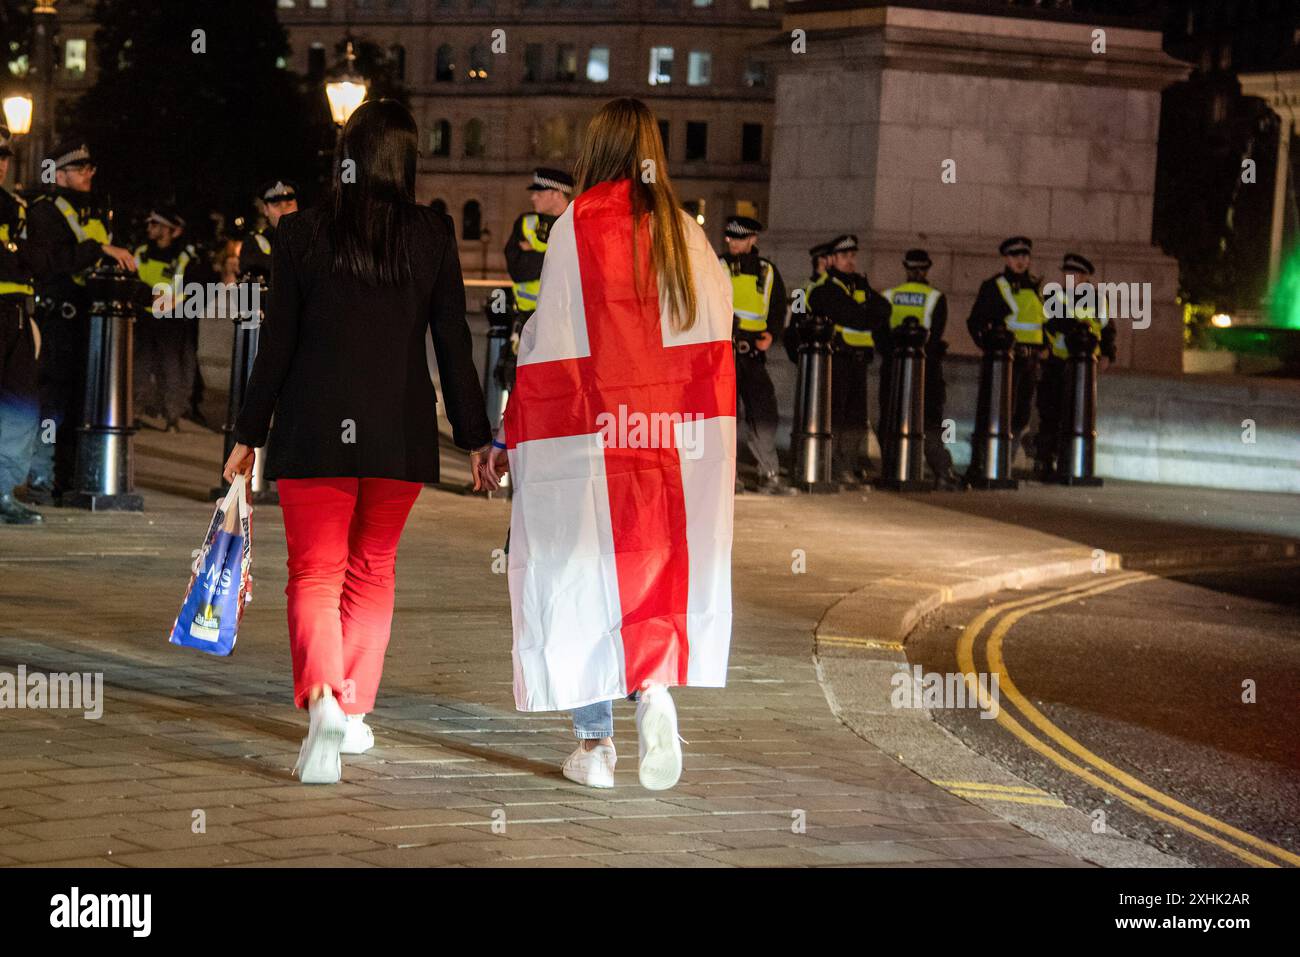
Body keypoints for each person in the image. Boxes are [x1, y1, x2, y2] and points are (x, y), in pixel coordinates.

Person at [222, 100, 493, 785]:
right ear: (405, 160)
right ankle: (353, 704)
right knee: (372, 567)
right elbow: (452, 343)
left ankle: (321, 704)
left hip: (313, 428)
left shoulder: (301, 235)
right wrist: (478, 437)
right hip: (399, 432)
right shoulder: (431, 235)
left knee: (315, 571)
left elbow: (275, 348)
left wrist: (247, 433)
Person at [480, 97, 735, 792]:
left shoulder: (576, 226)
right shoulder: (688, 233)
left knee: (573, 576)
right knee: (645, 569)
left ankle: (595, 746)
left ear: (599, 151)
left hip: (584, 441)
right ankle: (653, 689)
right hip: (663, 447)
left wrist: (510, 433)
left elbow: (546, 343)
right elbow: (714, 342)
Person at [24, 140, 135, 504]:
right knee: (52, 407)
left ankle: (71, 477)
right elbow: (51, 262)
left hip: (92, 324)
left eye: (90, 169)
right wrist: (98, 250)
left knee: (78, 407)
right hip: (59, 321)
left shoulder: (95, 214)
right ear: (59, 174)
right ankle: (42, 476)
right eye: (79, 169)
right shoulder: (44, 211)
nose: (88, 175)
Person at [808, 234, 891, 487]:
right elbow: (852, 316)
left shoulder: (859, 286)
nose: (850, 261)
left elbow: (884, 310)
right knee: (836, 415)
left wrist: (866, 311)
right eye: (845, 256)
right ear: (831, 260)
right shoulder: (824, 289)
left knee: (856, 417)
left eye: (853, 256)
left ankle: (848, 464)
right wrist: (867, 312)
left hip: (859, 361)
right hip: (837, 358)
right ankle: (833, 465)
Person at [720, 215, 792, 495]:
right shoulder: (718, 265)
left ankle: (769, 473)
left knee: (763, 414)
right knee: (727, 418)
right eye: (730, 238)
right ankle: (729, 477)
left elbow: (777, 308)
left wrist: (772, 335)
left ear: (753, 239)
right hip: (725, 352)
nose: (732, 243)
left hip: (753, 355)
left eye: (738, 238)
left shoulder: (768, 270)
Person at [877, 249, 962, 488]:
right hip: (927, 370)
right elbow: (935, 336)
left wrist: (894, 355)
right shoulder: (935, 297)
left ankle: (892, 468)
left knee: (890, 418)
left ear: (905, 267)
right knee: (930, 421)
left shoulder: (890, 295)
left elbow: (880, 333)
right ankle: (942, 472)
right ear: (927, 269)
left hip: (893, 367)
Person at [965, 235, 1044, 475]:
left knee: (1021, 414)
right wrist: (989, 349)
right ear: (1006, 259)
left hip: (1030, 361)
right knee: (995, 412)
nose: (1021, 260)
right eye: (1015, 256)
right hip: (1005, 361)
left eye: (1025, 256)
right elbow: (975, 322)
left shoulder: (1035, 286)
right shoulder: (994, 286)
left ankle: (1003, 463)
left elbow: (1042, 323)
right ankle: (987, 463)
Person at [1039, 251, 1115, 480]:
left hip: (1084, 367)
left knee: (1076, 415)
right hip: (1057, 362)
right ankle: (1045, 461)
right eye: (1066, 273)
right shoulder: (1054, 296)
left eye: (1074, 274)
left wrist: (1108, 354)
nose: (1068, 278)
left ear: (1084, 277)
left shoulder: (1099, 299)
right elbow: (1050, 323)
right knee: (1050, 413)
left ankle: (1070, 461)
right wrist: (1077, 326)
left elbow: (1107, 330)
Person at [0, 125, 42, 524]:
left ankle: (3, 492)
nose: (0, 164)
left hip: (14, 312)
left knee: (19, 406)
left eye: (3, 157)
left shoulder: (16, 206)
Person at [499, 167, 573, 391]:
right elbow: (518, 268)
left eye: (539, 193)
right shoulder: (526, 222)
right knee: (519, 386)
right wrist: (553, 255)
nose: (532, 197)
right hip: (526, 321)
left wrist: (535, 253)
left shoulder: (577, 223)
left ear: (557, 194)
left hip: (564, 328)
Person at [133, 206, 195, 431]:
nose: (150, 228)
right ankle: (134, 413)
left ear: (172, 231)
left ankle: (172, 416)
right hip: (142, 318)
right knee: (139, 368)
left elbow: (192, 287)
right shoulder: (141, 252)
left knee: (170, 369)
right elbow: (132, 281)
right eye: (150, 223)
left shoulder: (184, 258)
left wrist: (173, 302)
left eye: (156, 224)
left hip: (170, 321)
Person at [238, 180, 298, 279]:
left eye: (289, 204)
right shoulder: (254, 241)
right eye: (276, 204)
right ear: (265, 210)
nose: (284, 209)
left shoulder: (312, 237)